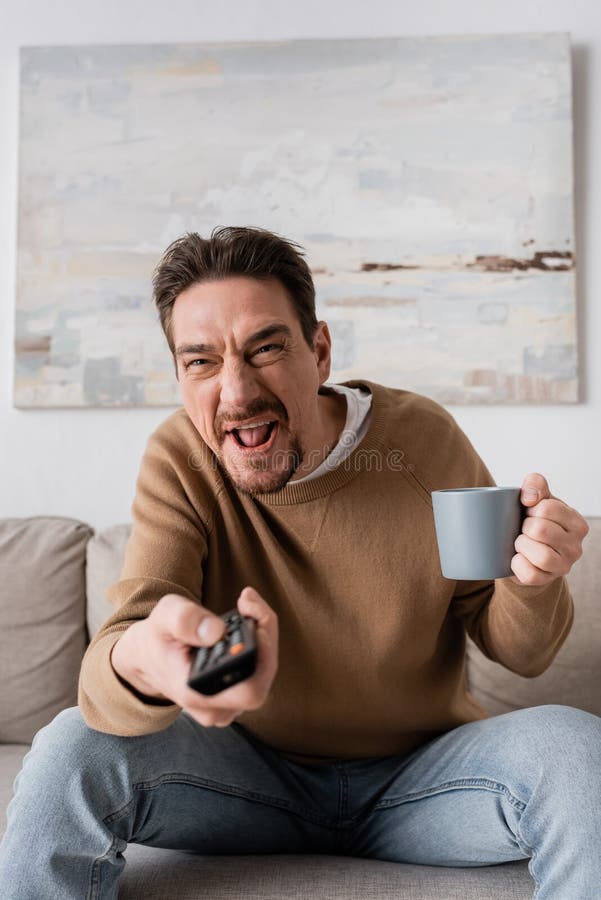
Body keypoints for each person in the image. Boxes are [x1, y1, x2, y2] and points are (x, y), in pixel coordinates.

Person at [0, 226, 595, 899]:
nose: (235, 391)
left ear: (318, 350)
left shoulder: (419, 442)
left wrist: (531, 580)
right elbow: (115, 666)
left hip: (424, 783)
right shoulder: (180, 459)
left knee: (574, 748)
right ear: (178, 375)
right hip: (241, 781)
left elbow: (518, 651)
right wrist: (146, 661)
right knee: (72, 744)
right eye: (200, 361)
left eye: (265, 347)